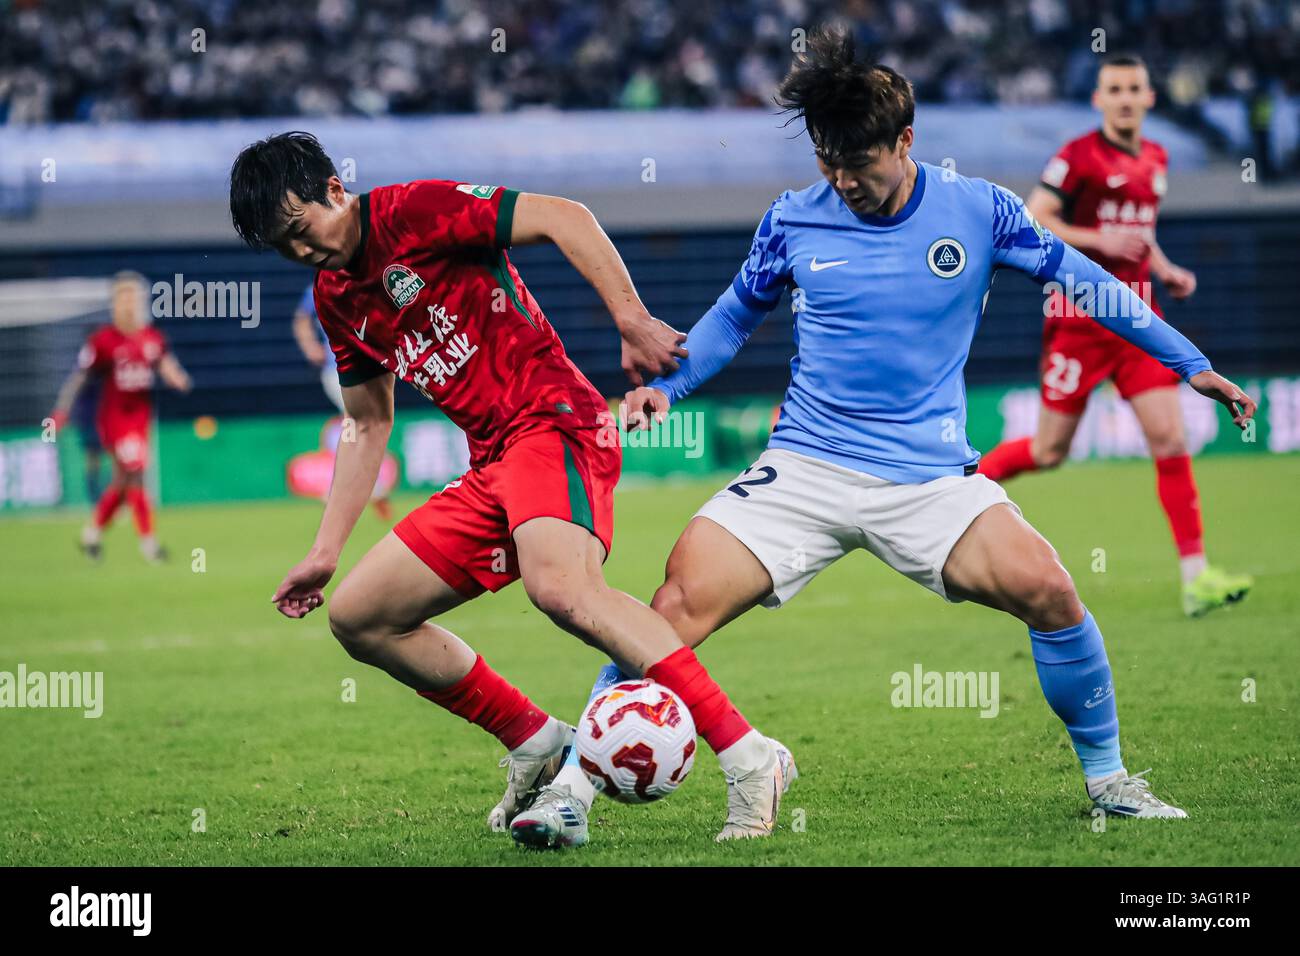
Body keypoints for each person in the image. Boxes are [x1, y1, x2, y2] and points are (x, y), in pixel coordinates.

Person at [613, 28, 1255, 831]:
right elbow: (734, 317)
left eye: (860, 162)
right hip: (805, 467)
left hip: (928, 479)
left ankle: (1110, 779)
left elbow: (1085, 280)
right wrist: (669, 388)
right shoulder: (790, 220)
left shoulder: (979, 209)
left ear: (906, 140)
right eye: (827, 162)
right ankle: (572, 783)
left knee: (1052, 592)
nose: (843, 180)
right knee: (670, 606)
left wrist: (1185, 359)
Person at [228, 131, 794, 849]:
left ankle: (749, 756)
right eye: (284, 247)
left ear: (335, 191)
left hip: (553, 421)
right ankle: (535, 741)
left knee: (563, 590)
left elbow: (565, 216)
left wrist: (630, 318)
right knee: (361, 615)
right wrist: (324, 548)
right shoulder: (336, 295)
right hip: (493, 464)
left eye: (302, 230)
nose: (303, 252)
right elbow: (367, 424)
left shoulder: (416, 211)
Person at [977, 55, 1253, 617]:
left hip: (1135, 321)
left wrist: (1165, 267)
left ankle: (1195, 579)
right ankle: (961, 488)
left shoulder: (1156, 157)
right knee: (1050, 451)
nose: (1125, 98)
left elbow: (1139, 234)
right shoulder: (1076, 157)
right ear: (1098, 100)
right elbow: (1035, 217)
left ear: (1150, 98)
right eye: (1114, 89)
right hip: (1079, 319)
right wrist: (1096, 235)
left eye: (1134, 89)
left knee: (1170, 441)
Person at [50, 271, 192, 563]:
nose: (129, 305)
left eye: (134, 298)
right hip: (114, 417)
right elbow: (79, 378)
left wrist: (178, 378)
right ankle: (149, 545)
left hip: (140, 417)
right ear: (115, 303)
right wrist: (61, 411)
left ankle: (91, 534)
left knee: (123, 482)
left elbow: (167, 365)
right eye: (123, 298)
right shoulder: (104, 341)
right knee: (136, 475)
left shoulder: (152, 338)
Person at [291, 282, 392, 521]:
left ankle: (350, 489)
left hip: (362, 368)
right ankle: (359, 489)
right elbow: (301, 319)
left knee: (360, 425)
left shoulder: (363, 279)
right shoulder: (323, 284)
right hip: (339, 370)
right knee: (362, 424)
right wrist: (310, 347)